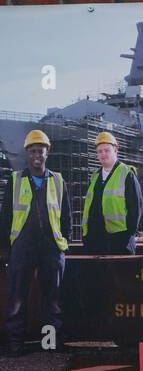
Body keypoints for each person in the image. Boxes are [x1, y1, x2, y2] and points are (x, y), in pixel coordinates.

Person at [1, 130, 71, 356]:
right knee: (17, 298)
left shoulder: (58, 181)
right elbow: (6, 216)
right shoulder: (15, 180)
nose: (36, 156)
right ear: (27, 154)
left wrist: (62, 242)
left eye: (40, 151)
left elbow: (67, 217)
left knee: (52, 299)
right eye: (32, 151)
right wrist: (5, 248)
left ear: (47, 152)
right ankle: (15, 344)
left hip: (51, 247)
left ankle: (50, 343)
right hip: (22, 245)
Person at [80, 131, 143, 255]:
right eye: (99, 151)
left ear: (115, 150)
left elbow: (136, 206)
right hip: (96, 240)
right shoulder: (95, 177)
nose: (103, 154)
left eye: (107, 150)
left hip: (120, 241)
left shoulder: (126, 174)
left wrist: (129, 234)